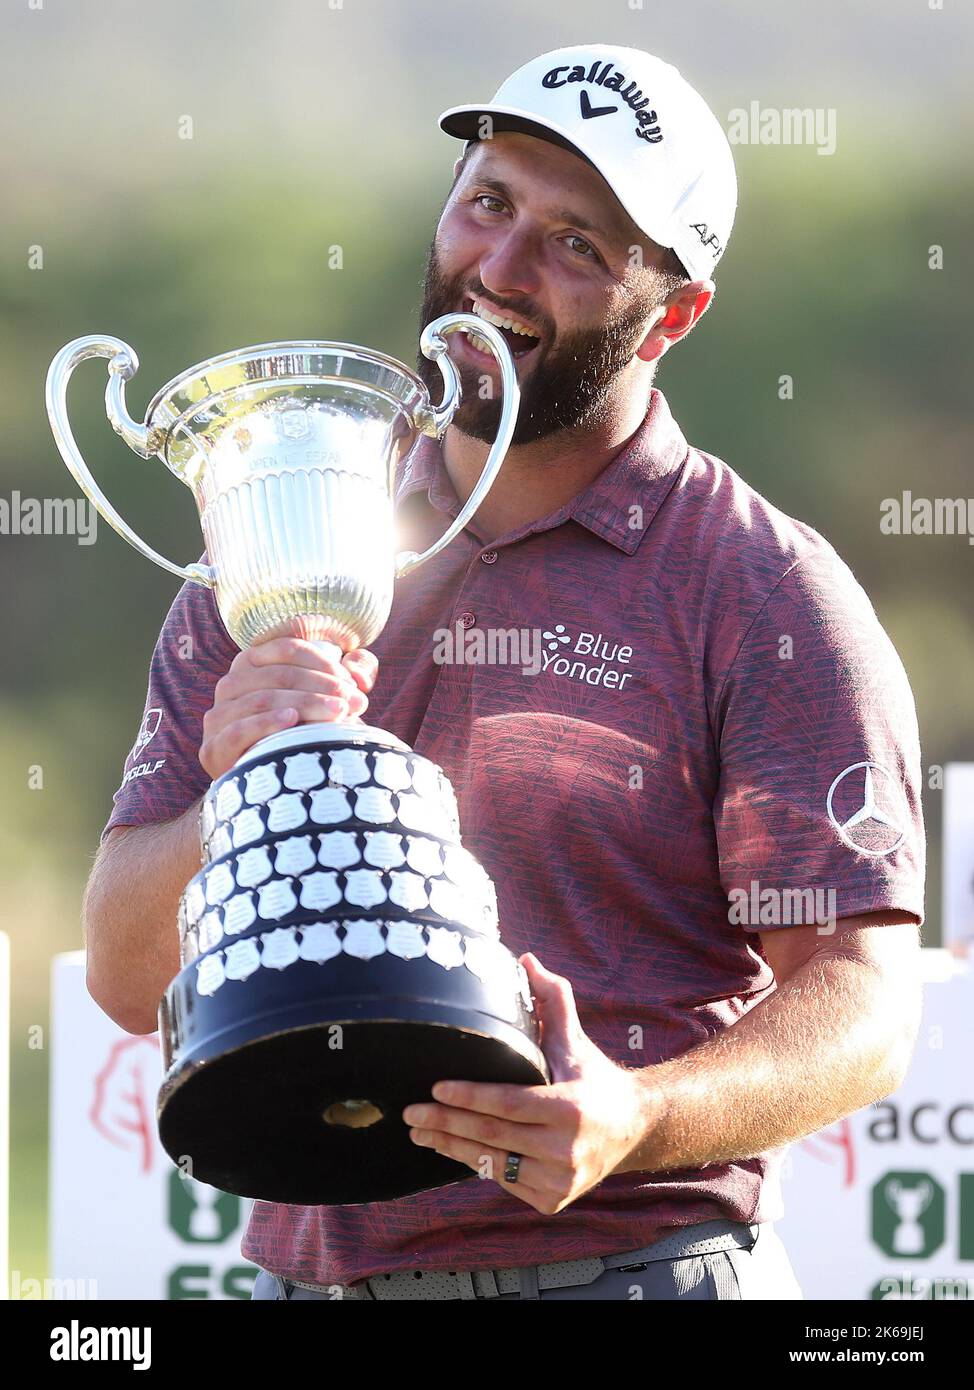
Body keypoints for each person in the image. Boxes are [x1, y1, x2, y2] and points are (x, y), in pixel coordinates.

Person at [84, 44, 926, 1301]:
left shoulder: (758, 588)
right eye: (488, 203)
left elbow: (861, 1001)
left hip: (633, 1270)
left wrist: (636, 1114)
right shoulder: (277, 531)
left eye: (576, 244)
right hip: (303, 1281)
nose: (499, 270)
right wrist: (230, 803)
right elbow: (124, 975)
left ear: (676, 309)